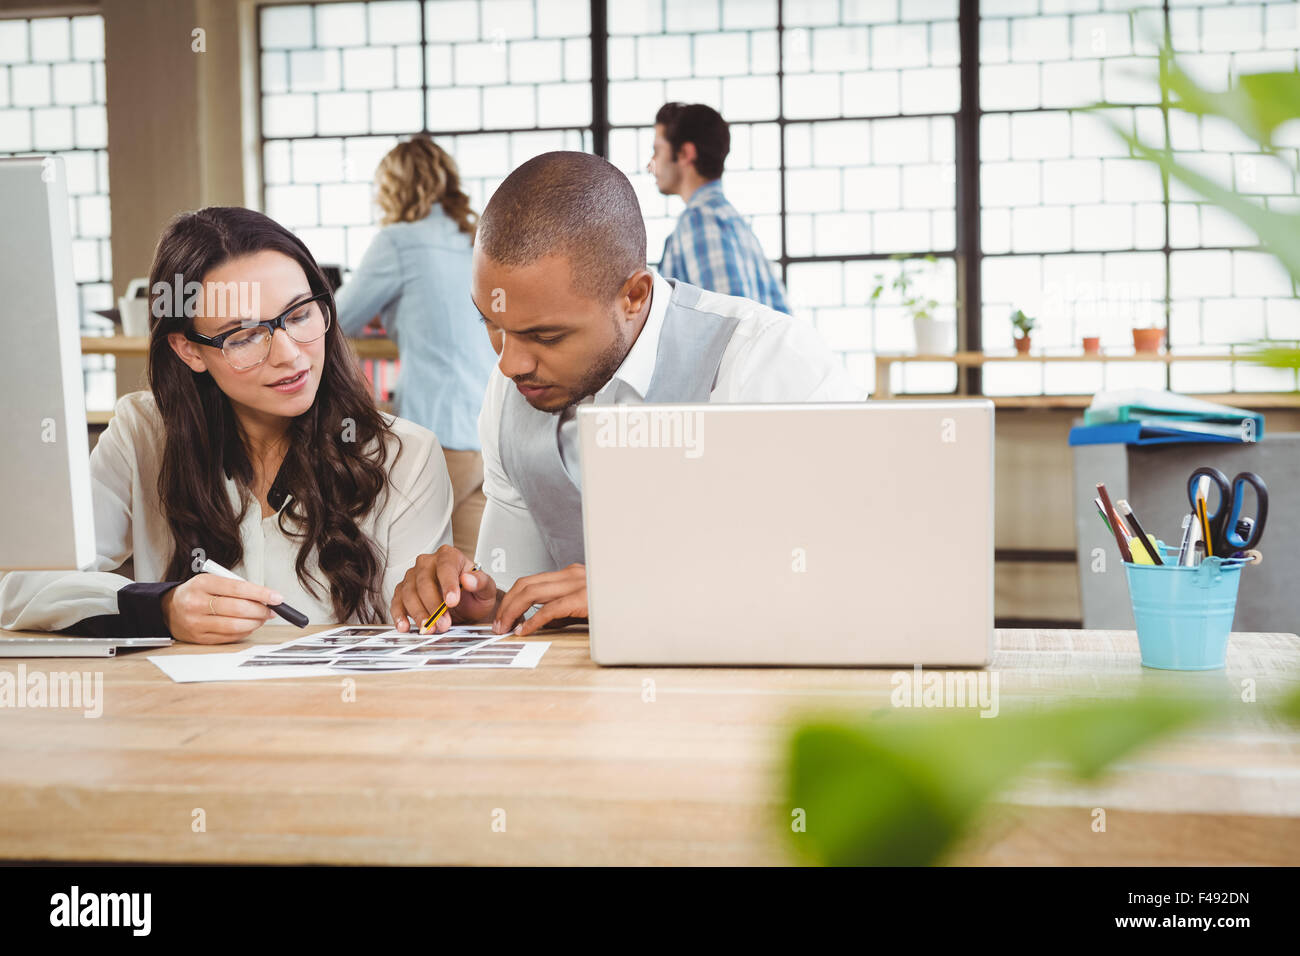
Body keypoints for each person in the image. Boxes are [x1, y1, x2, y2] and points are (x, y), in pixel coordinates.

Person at [389, 151, 863, 639]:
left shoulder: (768, 362)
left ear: (634, 295)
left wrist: (643, 594)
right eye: (491, 323)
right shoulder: (511, 390)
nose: (509, 364)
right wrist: (483, 605)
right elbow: (518, 592)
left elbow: (852, 574)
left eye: (547, 337)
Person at [0, 207, 454, 643]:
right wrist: (161, 608)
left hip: (343, 717)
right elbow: (21, 587)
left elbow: (417, 629)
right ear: (189, 350)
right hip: (184, 718)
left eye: (299, 315)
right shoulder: (143, 434)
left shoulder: (405, 455)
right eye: (245, 335)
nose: (290, 355)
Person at [335, 135, 496, 555]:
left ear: (393, 187)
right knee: (469, 571)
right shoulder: (476, 239)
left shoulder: (398, 241)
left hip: (438, 432)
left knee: (395, 556)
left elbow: (335, 319)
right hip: (488, 431)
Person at [649, 102, 791, 314]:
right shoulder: (734, 223)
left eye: (657, 151)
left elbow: (729, 326)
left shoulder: (700, 221)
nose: (651, 163)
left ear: (686, 153)